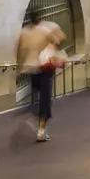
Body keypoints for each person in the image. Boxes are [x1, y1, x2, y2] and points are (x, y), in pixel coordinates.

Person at [15, 14, 66, 144]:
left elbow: (20, 50)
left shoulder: (24, 32)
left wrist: (19, 66)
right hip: (44, 67)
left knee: (35, 94)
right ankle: (41, 130)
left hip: (31, 67)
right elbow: (58, 40)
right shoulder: (44, 30)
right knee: (45, 99)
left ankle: (30, 111)